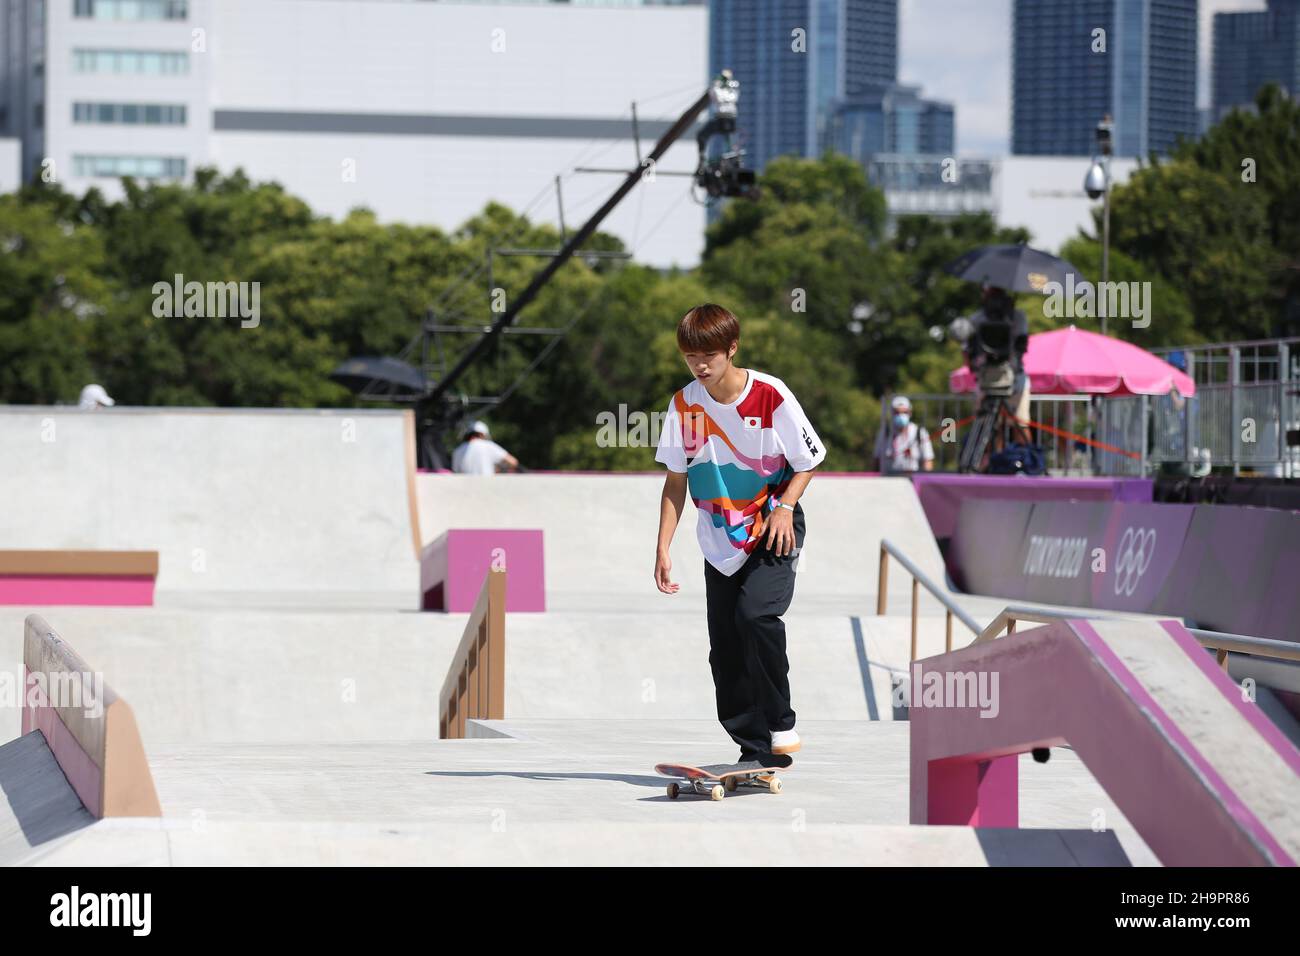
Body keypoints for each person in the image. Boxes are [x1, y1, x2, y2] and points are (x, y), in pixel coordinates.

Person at [653, 303, 826, 766]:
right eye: (690, 357)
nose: (700, 366)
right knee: (724, 649)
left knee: (757, 618)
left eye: (709, 355)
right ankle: (754, 750)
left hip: (773, 524)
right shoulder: (684, 404)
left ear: (732, 349)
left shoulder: (771, 394)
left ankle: (780, 722)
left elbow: (809, 461)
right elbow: (676, 479)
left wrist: (786, 506)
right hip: (719, 535)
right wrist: (663, 547)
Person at [964, 285, 1031, 426]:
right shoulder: (976, 319)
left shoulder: (1017, 317)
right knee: (986, 426)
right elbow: (967, 350)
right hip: (985, 380)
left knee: (1021, 423)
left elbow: (1021, 346)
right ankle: (992, 448)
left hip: (1014, 379)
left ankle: (1023, 449)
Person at [874, 395, 934, 474]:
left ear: (910, 413)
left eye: (904, 412)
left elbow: (928, 460)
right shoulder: (885, 432)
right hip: (888, 480)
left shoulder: (920, 432)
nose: (901, 415)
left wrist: (925, 480)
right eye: (897, 412)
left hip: (912, 479)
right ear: (892, 413)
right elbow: (876, 460)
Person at [450, 421, 518, 475]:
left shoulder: (457, 450)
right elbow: (513, 462)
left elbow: (456, 471)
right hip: (486, 488)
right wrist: (498, 469)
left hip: (465, 489)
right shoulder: (489, 446)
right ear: (482, 434)